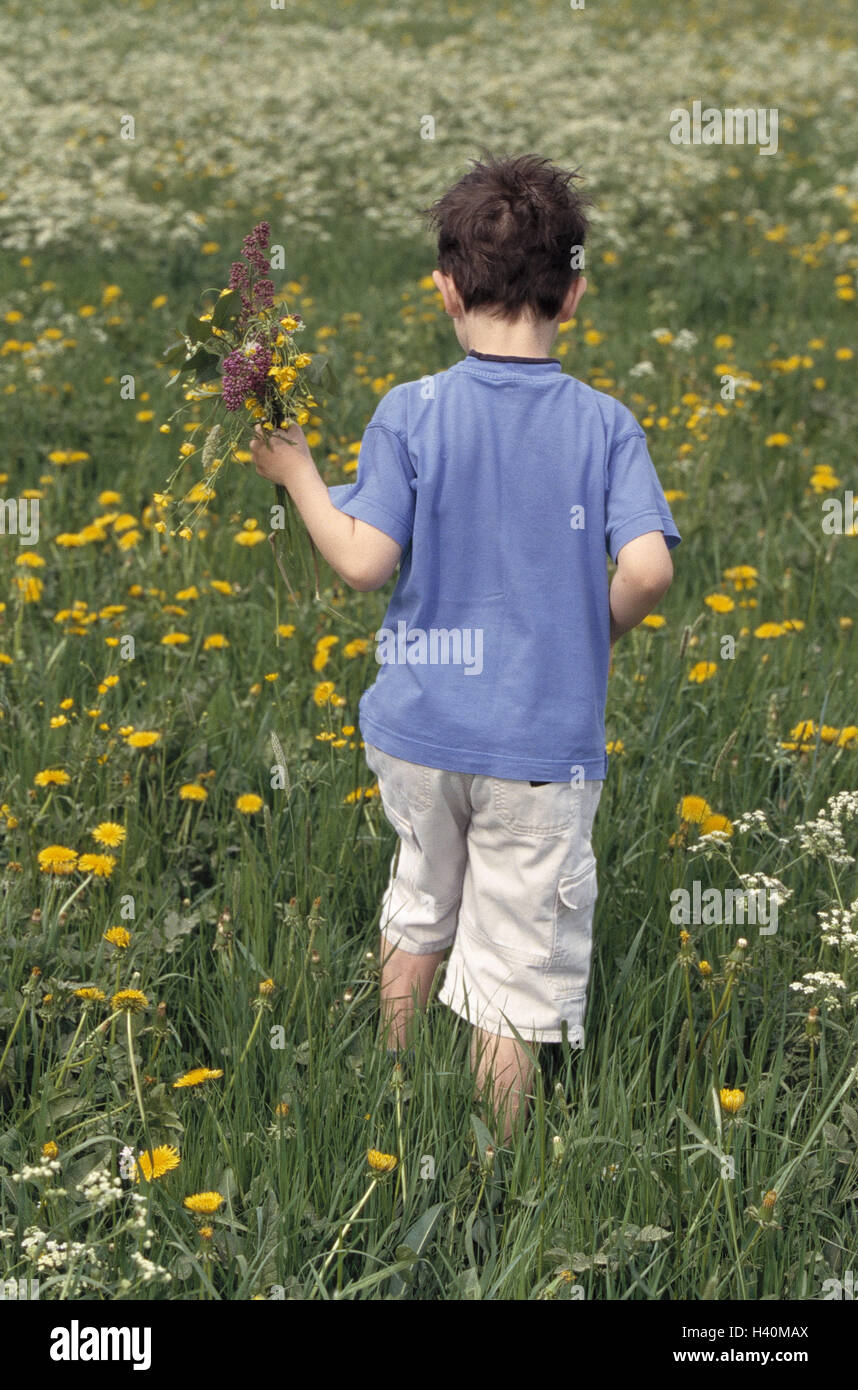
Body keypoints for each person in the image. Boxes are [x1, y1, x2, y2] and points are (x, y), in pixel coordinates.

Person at [250, 152, 680, 1142]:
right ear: (574, 293)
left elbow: (365, 561)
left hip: (418, 734)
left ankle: (394, 1095)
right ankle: (495, 1172)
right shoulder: (606, 425)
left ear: (445, 289)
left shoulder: (411, 410)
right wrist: (592, 628)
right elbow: (650, 569)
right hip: (538, 750)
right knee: (516, 964)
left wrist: (299, 473)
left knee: (420, 898)